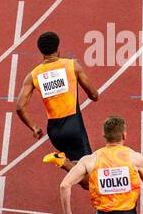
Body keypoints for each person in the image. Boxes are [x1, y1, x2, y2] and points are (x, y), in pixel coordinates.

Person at [15, 31, 100, 187]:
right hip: (74, 127)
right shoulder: (71, 65)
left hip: (54, 131)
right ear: (58, 49)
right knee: (89, 180)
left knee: (83, 178)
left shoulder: (33, 75)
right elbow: (94, 95)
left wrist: (34, 127)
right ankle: (62, 162)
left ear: (41, 51)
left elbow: (20, 107)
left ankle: (64, 162)